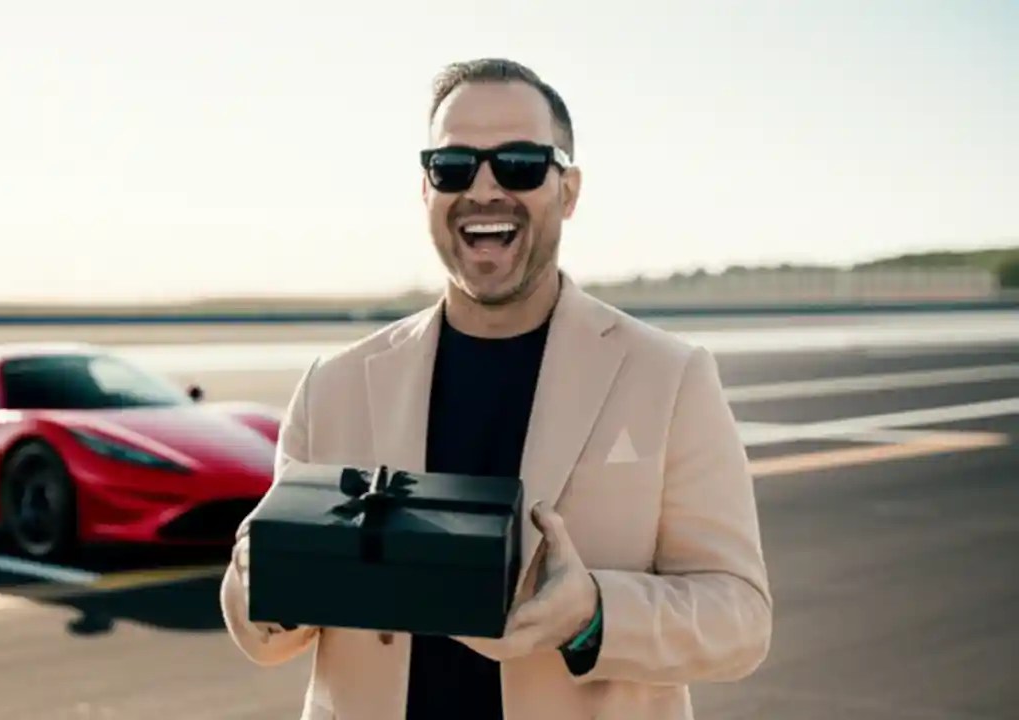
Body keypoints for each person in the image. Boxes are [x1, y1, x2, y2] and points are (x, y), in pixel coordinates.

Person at [220, 57, 772, 719]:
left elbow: (740, 620)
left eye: (519, 163)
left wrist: (593, 615)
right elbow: (267, 634)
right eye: (453, 167)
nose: (484, 188)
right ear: (426, 192)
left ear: (567, 191)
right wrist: (259, 579)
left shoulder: (669, 377)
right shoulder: (332, 385)